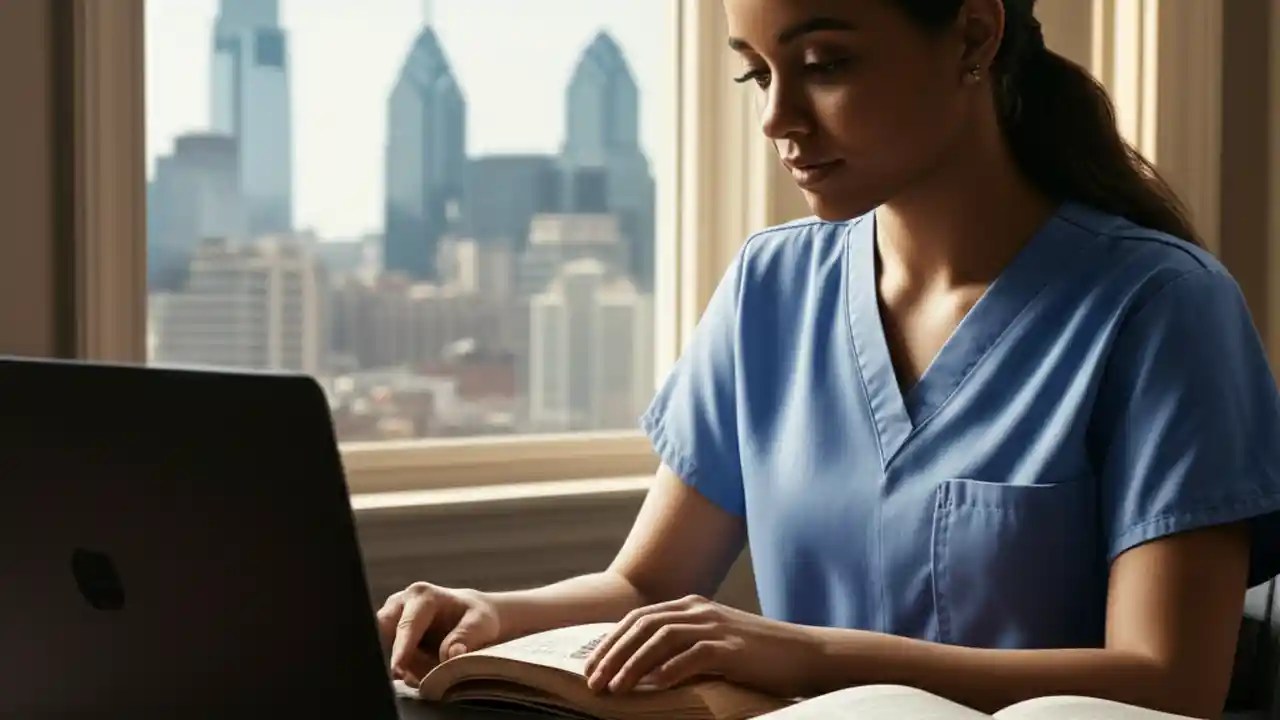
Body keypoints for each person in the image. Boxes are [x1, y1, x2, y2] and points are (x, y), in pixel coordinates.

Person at [377, 0, 1280, 716]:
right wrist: (497, 614)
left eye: (825, 65)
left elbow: (1170, 683)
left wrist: (807, 655)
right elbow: (644, 583)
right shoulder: (769, 287)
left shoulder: (1161, 308)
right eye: (755, 72)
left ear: (973, 34)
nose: (777, 117)